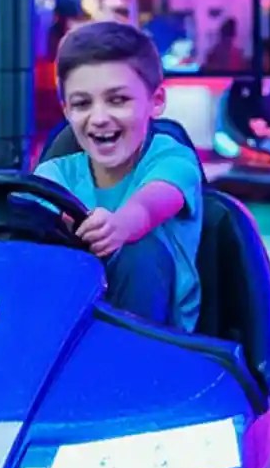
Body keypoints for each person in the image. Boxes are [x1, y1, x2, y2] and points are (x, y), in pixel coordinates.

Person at [33, 21, 205, 332]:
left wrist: (121, 225)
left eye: (118, 100)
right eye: (82, 104)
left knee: (139, 252)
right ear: (66, 111)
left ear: (156, 102)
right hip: (68, 336)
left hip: (162, 342)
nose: (99, 118)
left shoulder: (172, 159)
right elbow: (33, 216)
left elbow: (151, 203)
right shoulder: (54, 173)